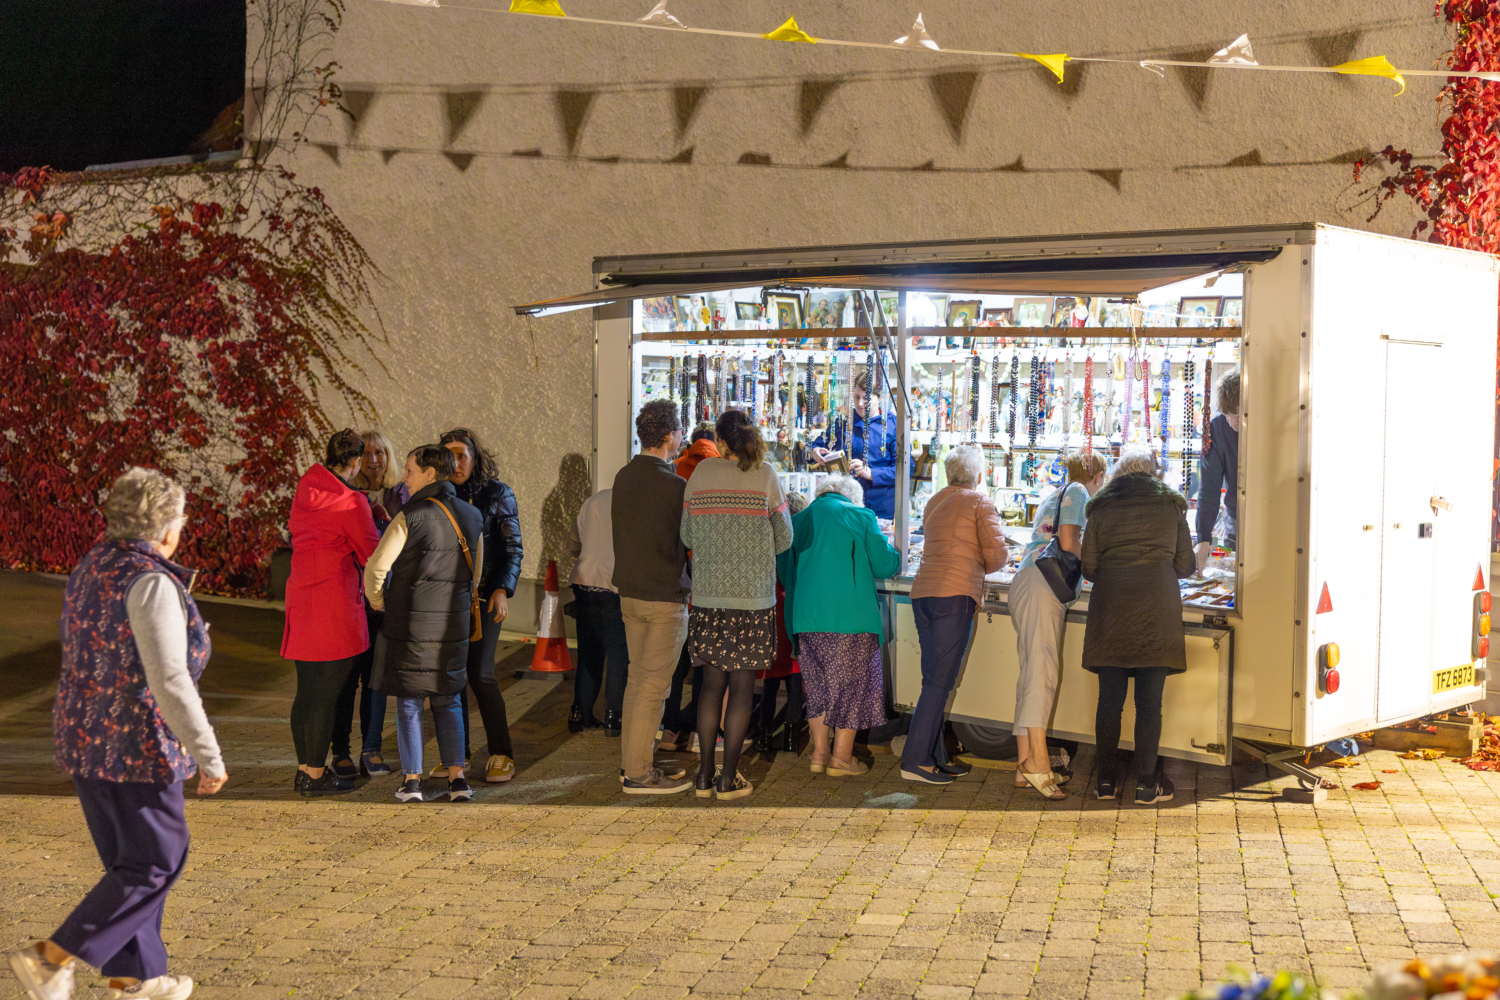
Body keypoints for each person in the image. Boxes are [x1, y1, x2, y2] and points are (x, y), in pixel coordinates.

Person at [8, 468, 226, 1000]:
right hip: (137, 746)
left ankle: (136, 979)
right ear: (168, 528)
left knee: (128, 864)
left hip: (85, 738)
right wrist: (209, 755)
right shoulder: (150, 582)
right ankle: (50, 958)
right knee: (157, 860)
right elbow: (169, 679)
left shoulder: (92, 565)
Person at [680, 409, 793, 800]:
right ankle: (729, 778)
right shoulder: (765, 476)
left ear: (721, 442)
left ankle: (703, 775)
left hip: (708, 597)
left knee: (710, 685)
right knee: (743, 688)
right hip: (753, 599)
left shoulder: (700, 475)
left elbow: (686, 532)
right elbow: (785, 539)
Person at [363, 445, 484, 804]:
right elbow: (476, 574)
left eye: (410, 470)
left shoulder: (410, 515)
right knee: (448, 698)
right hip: (453, 623)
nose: (404, 476)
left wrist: (378, 600)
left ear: (430, 474)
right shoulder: (473, 516)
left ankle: (412, 782)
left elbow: (376, 568)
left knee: (410, 701)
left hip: (410, 624)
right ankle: (458, 779)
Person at [1081, 446, 1196, 805]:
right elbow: (1186, 565)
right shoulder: (1172, 507)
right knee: (1150, 705)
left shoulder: (1100, 507)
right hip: (1156, 613)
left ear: (1119, 473)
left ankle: (1105, 781)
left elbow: (1088, 567)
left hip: (1111, 612)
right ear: (1153, 473)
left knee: (1109, 703)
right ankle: (1147, 784)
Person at [778, 475, 899, 778]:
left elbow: (783, 572)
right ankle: (841, 759)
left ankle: (819, 754)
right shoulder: (860, 515)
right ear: (851, 498)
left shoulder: (798, 519)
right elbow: (886, 565)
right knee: (854, 687)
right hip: (851, 618)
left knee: (818, 687)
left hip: (806, 617)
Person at [902, 445, 1008, 784]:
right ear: (978, 476)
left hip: (923, 594)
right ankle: (915, 760)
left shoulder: (935, 501)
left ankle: (936, 757)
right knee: (939, 682)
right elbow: (997, 556)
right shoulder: (979, 502)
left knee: (933, 679)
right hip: (954, 597)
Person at [282, 429, 380, 795]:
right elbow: (373, 554)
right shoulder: (352, 503)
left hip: (302, 601)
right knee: (327, 696)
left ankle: (305, 769)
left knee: (306, 692)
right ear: (355, 461)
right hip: (335, 605)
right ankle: (316, 776)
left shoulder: (306, 487)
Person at [1008, 451, 1108, 799]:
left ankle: (1025, 763)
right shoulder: (1079, 491)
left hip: (1028, 581)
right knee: (1042, 673)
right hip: (1043, 586)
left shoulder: (1056, 492)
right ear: (1096, 475)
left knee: (1031, 673)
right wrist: (1100, 559)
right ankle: (1037, 763)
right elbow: (1068, 542)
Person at [612, 399, 695, 794]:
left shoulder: (625, 476)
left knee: (637, 681)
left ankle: (633, 763)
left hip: (630, 593)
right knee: (652, 687)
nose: (681, 438)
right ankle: (639, 774)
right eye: (680, 432)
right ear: (669, 435)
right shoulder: (675, 486)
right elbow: (690, 540)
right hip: (664, 595)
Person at [437, 427, 524, 784]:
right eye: (449, 455)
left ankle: (502, 753)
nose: (456, 462)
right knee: (451, 677)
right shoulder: (439, 494)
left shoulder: (497, 493)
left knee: (482, 674)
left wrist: (504, 589)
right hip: (447, 598)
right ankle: (458, 755)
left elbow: (513, 548)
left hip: (486, 595)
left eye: (462, 454)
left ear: (475, 456)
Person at [333, 428, 406, 777]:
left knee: (376, 680)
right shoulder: (346, 494)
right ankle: (341, 751)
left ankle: (372, 748)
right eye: (369, 454)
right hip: (350, 602)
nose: (376, 460)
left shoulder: (400, 497)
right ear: (356, 460)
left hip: (383, 603)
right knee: (347, 680)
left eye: (382, 453)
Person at [807, 367, 909, 520]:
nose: (860, 403)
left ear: (880, 398)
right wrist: (814, 451)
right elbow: (810, 448)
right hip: (844, 504)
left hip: (881, 507)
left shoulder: (893, 426)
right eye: (856, 397)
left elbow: (906, 469)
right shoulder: (842, 423)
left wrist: (872, 473)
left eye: (866, 398)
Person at [568, 487, 628, 734]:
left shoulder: (593, 500)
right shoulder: (634, 502)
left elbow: (575, 543)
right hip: (613, 586)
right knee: (618, 656)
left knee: (588, 654)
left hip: (584, 582)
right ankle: (614, 717)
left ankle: (579, 713)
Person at [758, 490, 809, 753]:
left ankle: (764, 733)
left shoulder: (768, 534)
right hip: (793, 614)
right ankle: (791, 735)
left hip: (771, 613)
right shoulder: (800, 537)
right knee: (795, 677)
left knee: (769, 680)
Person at [1195, 370, 1240, 574]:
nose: (1233, 423)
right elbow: (1209, 488)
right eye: (1228, 416)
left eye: (1238, 416)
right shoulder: (1216, 428)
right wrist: (1203, 538)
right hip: (1235, 519)